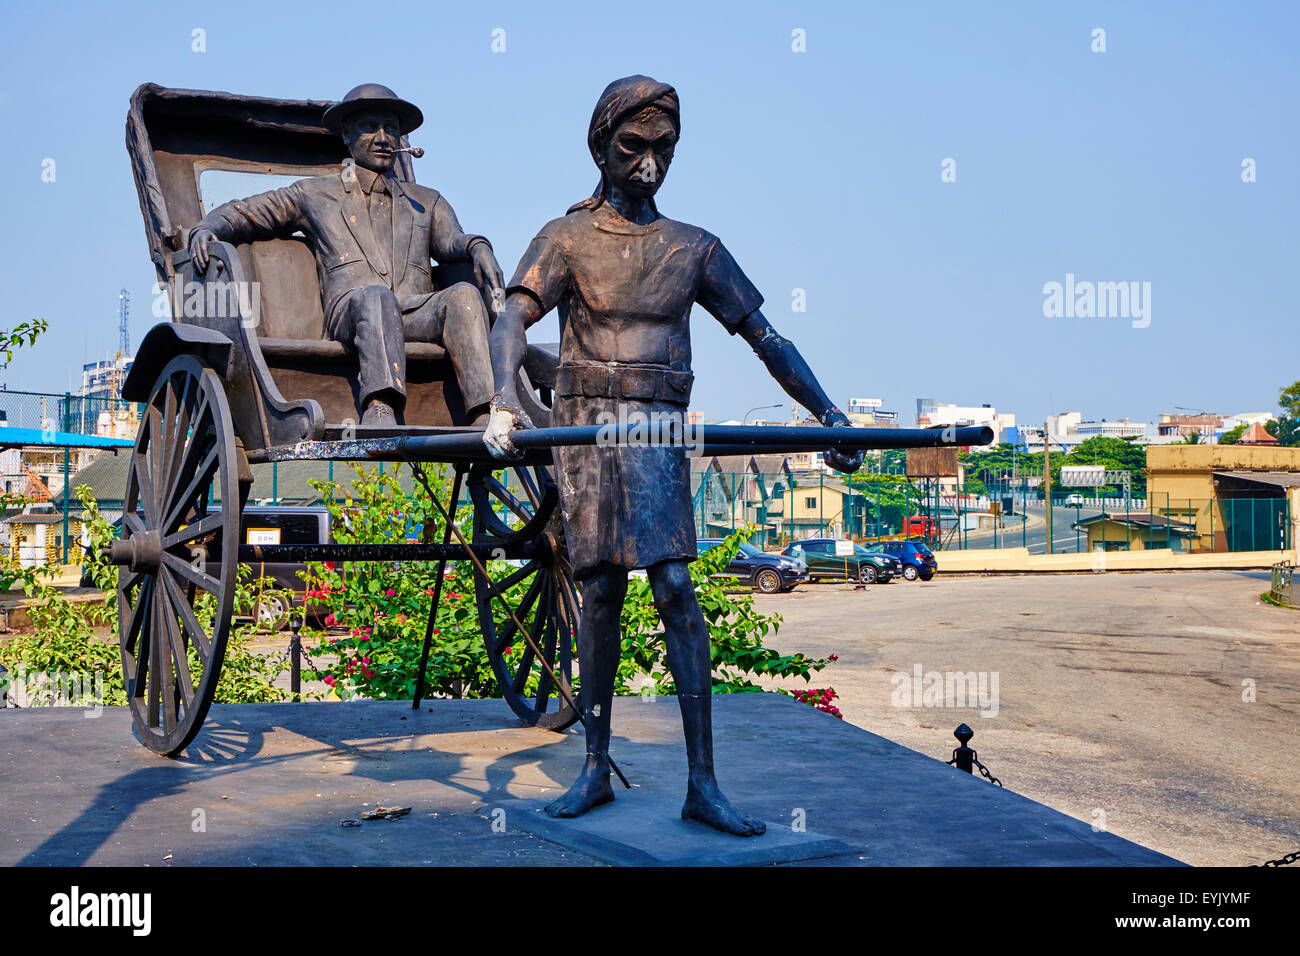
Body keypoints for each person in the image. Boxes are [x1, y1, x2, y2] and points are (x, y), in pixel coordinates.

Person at [483, 76, 862, 836]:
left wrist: (829, 416)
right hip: (585, 422)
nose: (649, 163)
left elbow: (767, 339)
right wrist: (499, 399)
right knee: (597, 594)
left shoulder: (694, 247)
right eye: (633, 147)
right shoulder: (565, 238)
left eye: (664, 149)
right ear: (601, 147)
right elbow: (512, 318)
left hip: (656, 427)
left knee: (676, 587)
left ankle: (703, 784)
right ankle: (593, 768)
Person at [188, 83, 504, 426]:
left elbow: (451, 242)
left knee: (465, 296)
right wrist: (207, 228)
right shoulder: (315, 193)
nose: (383, 137)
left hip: (413, 312)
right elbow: (249, 213)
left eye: (392, 129)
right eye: (370, 127)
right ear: (346, 136)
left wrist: (478, 246)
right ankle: (381, 405)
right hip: (352, 312)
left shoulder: (427, 201)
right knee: (376, 297)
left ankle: (484, 414)